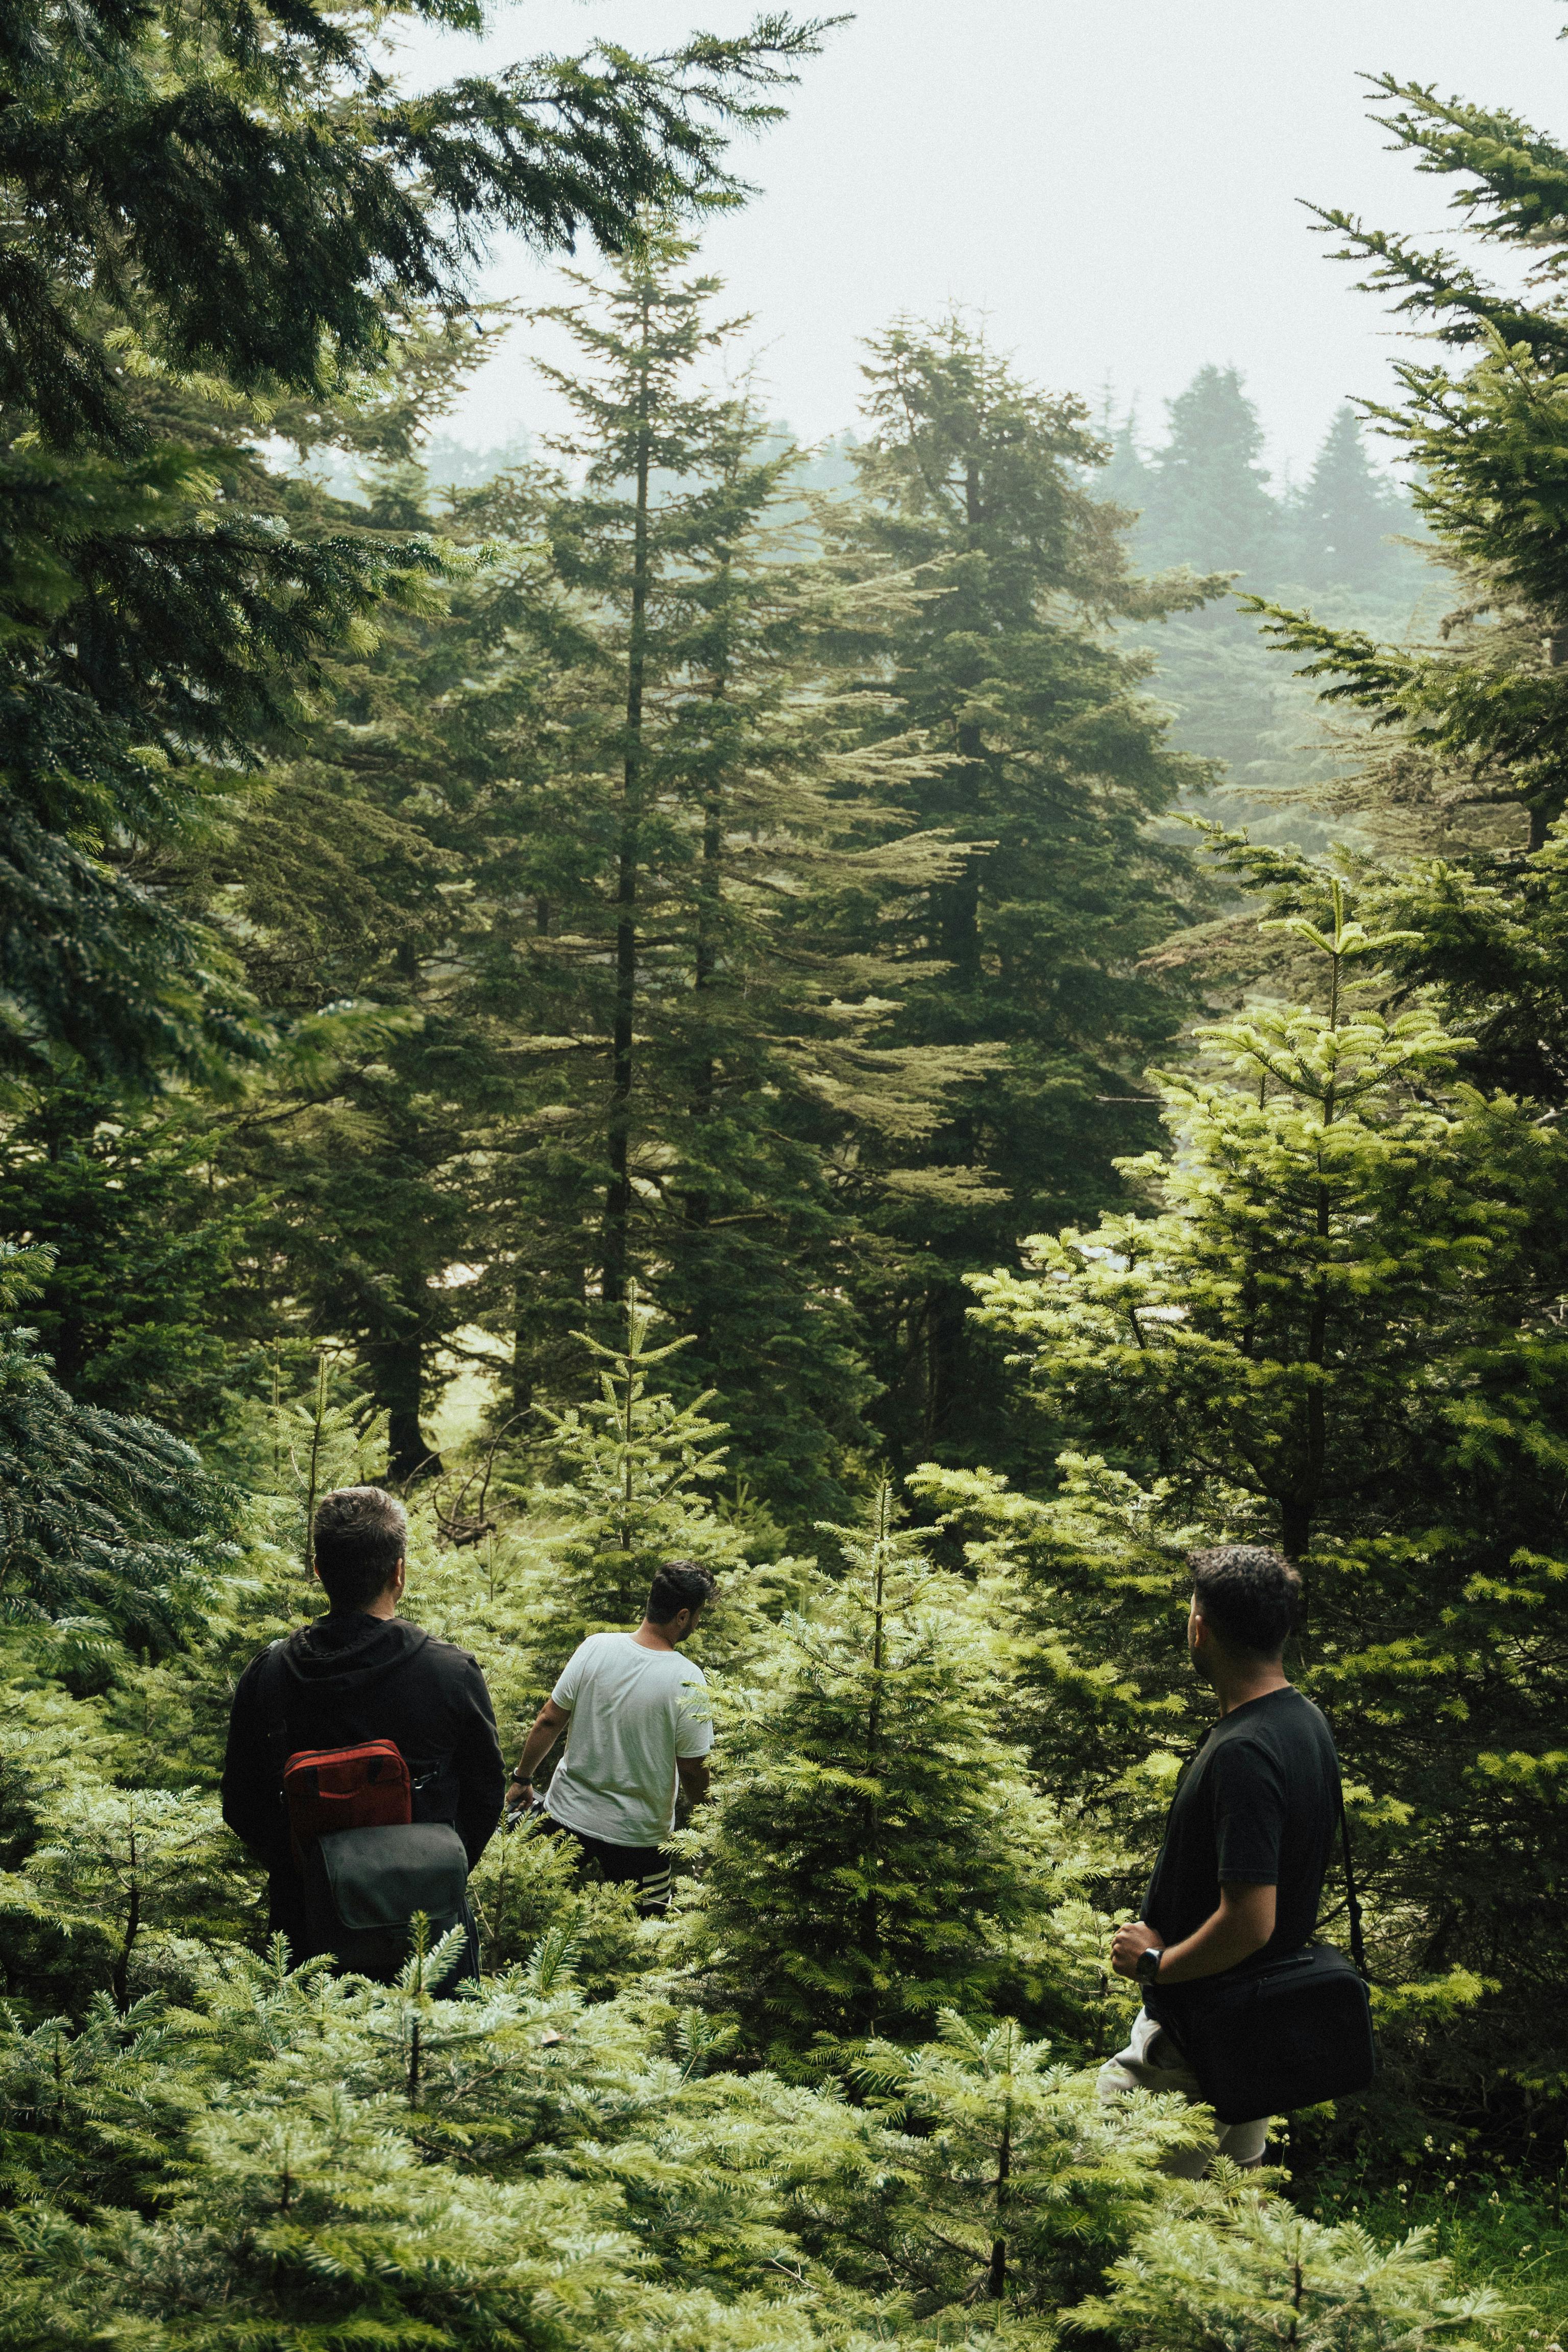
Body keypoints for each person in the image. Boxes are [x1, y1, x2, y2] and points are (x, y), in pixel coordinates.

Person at [1099, 1543, 1342, 2176]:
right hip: (1250, 2031)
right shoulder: (1305, 1722)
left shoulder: (1246, 1751)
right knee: (1231, 2227)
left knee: (1083, 2189)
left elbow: (1250, 1920)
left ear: (1200, 1628)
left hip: (1191, 2048)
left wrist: (1156, 1964)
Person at [222, 1484, 505, 1973]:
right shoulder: (451, 1673)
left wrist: (308, 1875)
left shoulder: (268, 1673)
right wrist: (436, 1872)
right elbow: (486, 1794)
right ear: (399, 1571)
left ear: (318, 1569)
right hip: (428, 1926)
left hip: (307, 1926)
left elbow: (242, 1805)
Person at [506, 1560, 716, 1915]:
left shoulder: (595, 1647)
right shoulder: (688, 1679)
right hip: (639, 1836)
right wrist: (709, 1822)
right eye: (698, 1615)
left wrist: (522, 1779)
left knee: (529, 1913)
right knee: (644, 1936)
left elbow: (548, 1720)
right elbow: (693, 1770)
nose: (697, 1622)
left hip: (566, 1815)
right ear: (682, 1616)